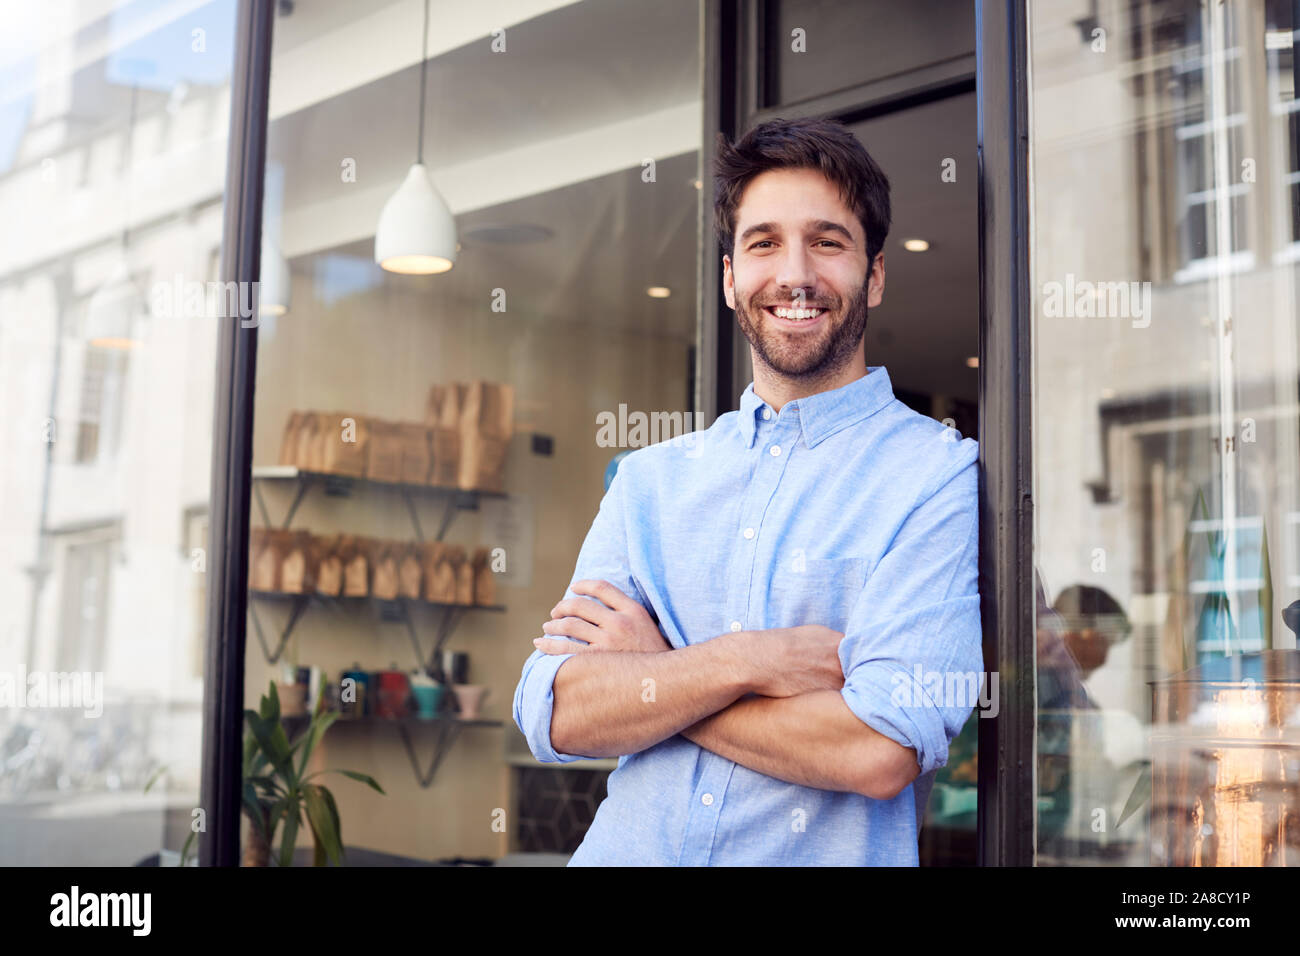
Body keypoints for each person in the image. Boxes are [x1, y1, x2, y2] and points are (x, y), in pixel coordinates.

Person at [512, 116, 982, 865]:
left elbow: (880, 749)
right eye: (763, 243)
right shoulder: (648, 481)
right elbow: (557, 709)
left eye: (828, 242)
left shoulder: (936, 475)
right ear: (731, 278)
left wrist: (657, 668)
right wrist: (747, 662)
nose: (794, 274)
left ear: (877, 273)